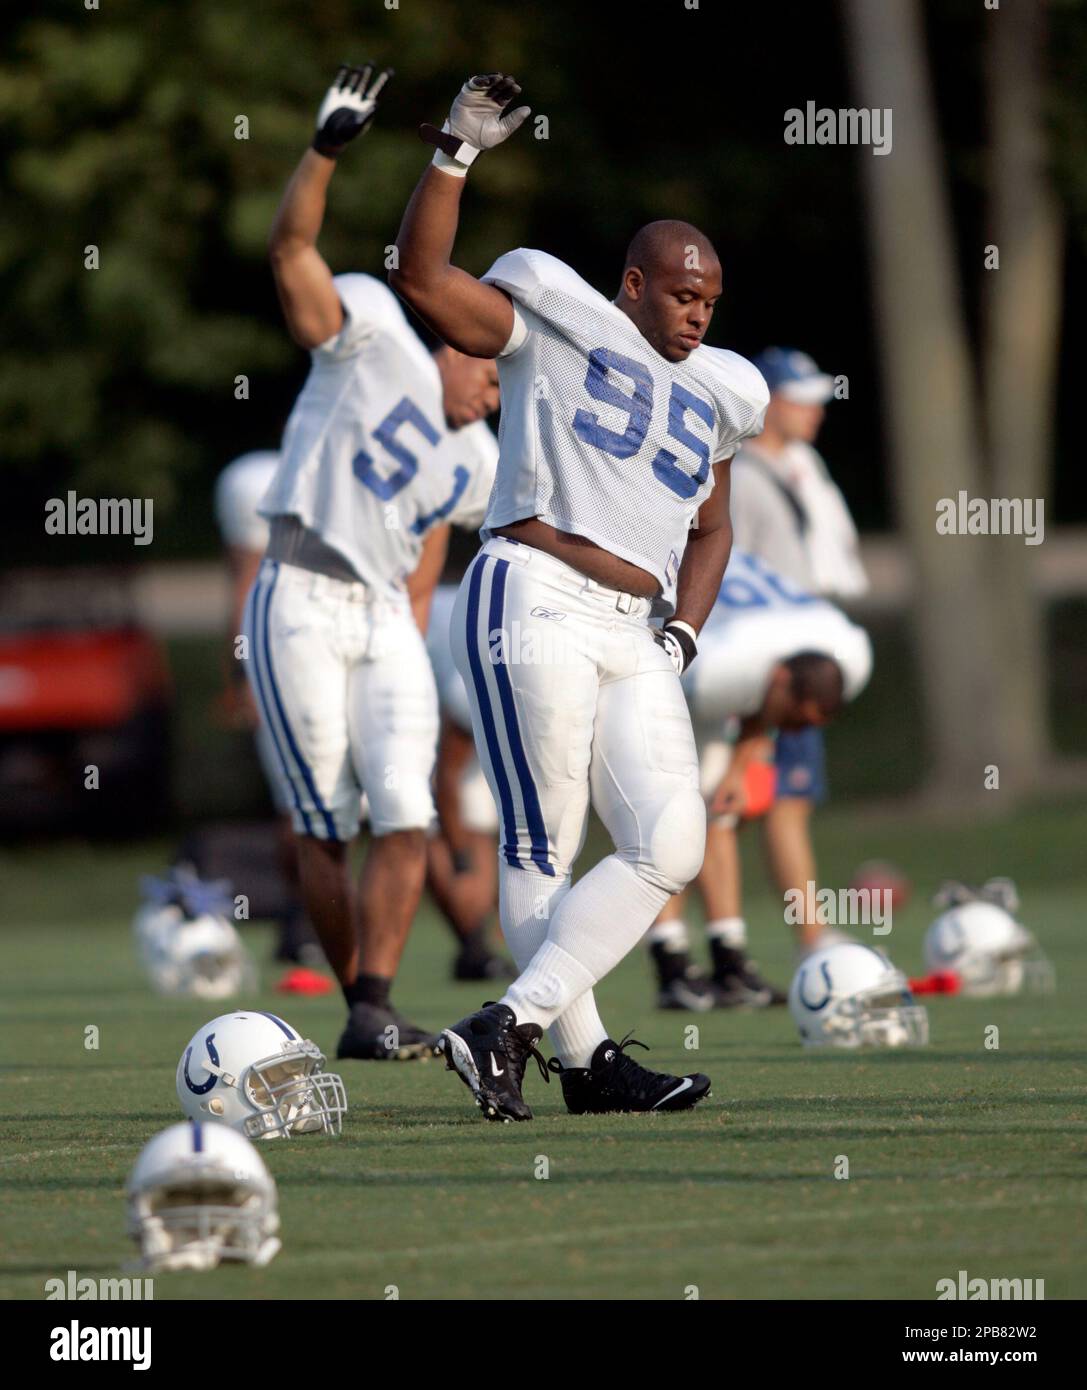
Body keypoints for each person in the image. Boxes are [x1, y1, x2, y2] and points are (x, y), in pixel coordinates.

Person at [388, 74, 770, 1121]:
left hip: (639, 628)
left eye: (709, 301)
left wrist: (687, 628)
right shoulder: (553, 316)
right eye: (681, 294)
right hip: (537, 590)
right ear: (633, 284)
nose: (696, 314)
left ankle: (509, 1027)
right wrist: (454, 158)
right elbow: (424, 277)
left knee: (670, 841)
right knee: (539, 843)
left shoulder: (723, 388)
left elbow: (714, 523)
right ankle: (587, 1061)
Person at [246, 65, 500, 1061]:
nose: (493, 385)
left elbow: (521, 517)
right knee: (325, 821)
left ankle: (374, 1006)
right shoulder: (374, 331)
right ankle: (357, 987)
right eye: (485, 362)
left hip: (386, 617)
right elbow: (290, 250)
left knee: (408, 811)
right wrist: (324, 150)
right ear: (445, 342)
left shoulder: (478, 454)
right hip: (300, 594)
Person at [647, 551, 873, 1008]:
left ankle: (729, 964)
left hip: (727, 650)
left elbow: (766, 707)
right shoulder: (720, 669)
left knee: (718, 814)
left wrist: (737, 766)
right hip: (672, 669)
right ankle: (670, 964)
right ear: (780, 679)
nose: (789, 730)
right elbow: (738, 698)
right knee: (670, 811)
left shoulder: (836, 656)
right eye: (792, 718)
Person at [729, 347, 869, 952]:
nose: (814, 411)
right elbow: (733, 570)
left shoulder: (801, 468)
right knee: (735, 802)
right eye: (800, 398)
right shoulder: (739, 474)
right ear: (770, 402)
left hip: (804, 654)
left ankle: (795, 935)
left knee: (787, 799)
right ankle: (702, 944)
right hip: (765, 662)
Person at [424, 583, 512, 981]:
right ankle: (473, 943)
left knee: (480, 818)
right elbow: (444, 779)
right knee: (417, 820)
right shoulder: (474, 691)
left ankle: (476, 944)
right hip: (409, 690)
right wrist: (459, 857)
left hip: (449, 654)